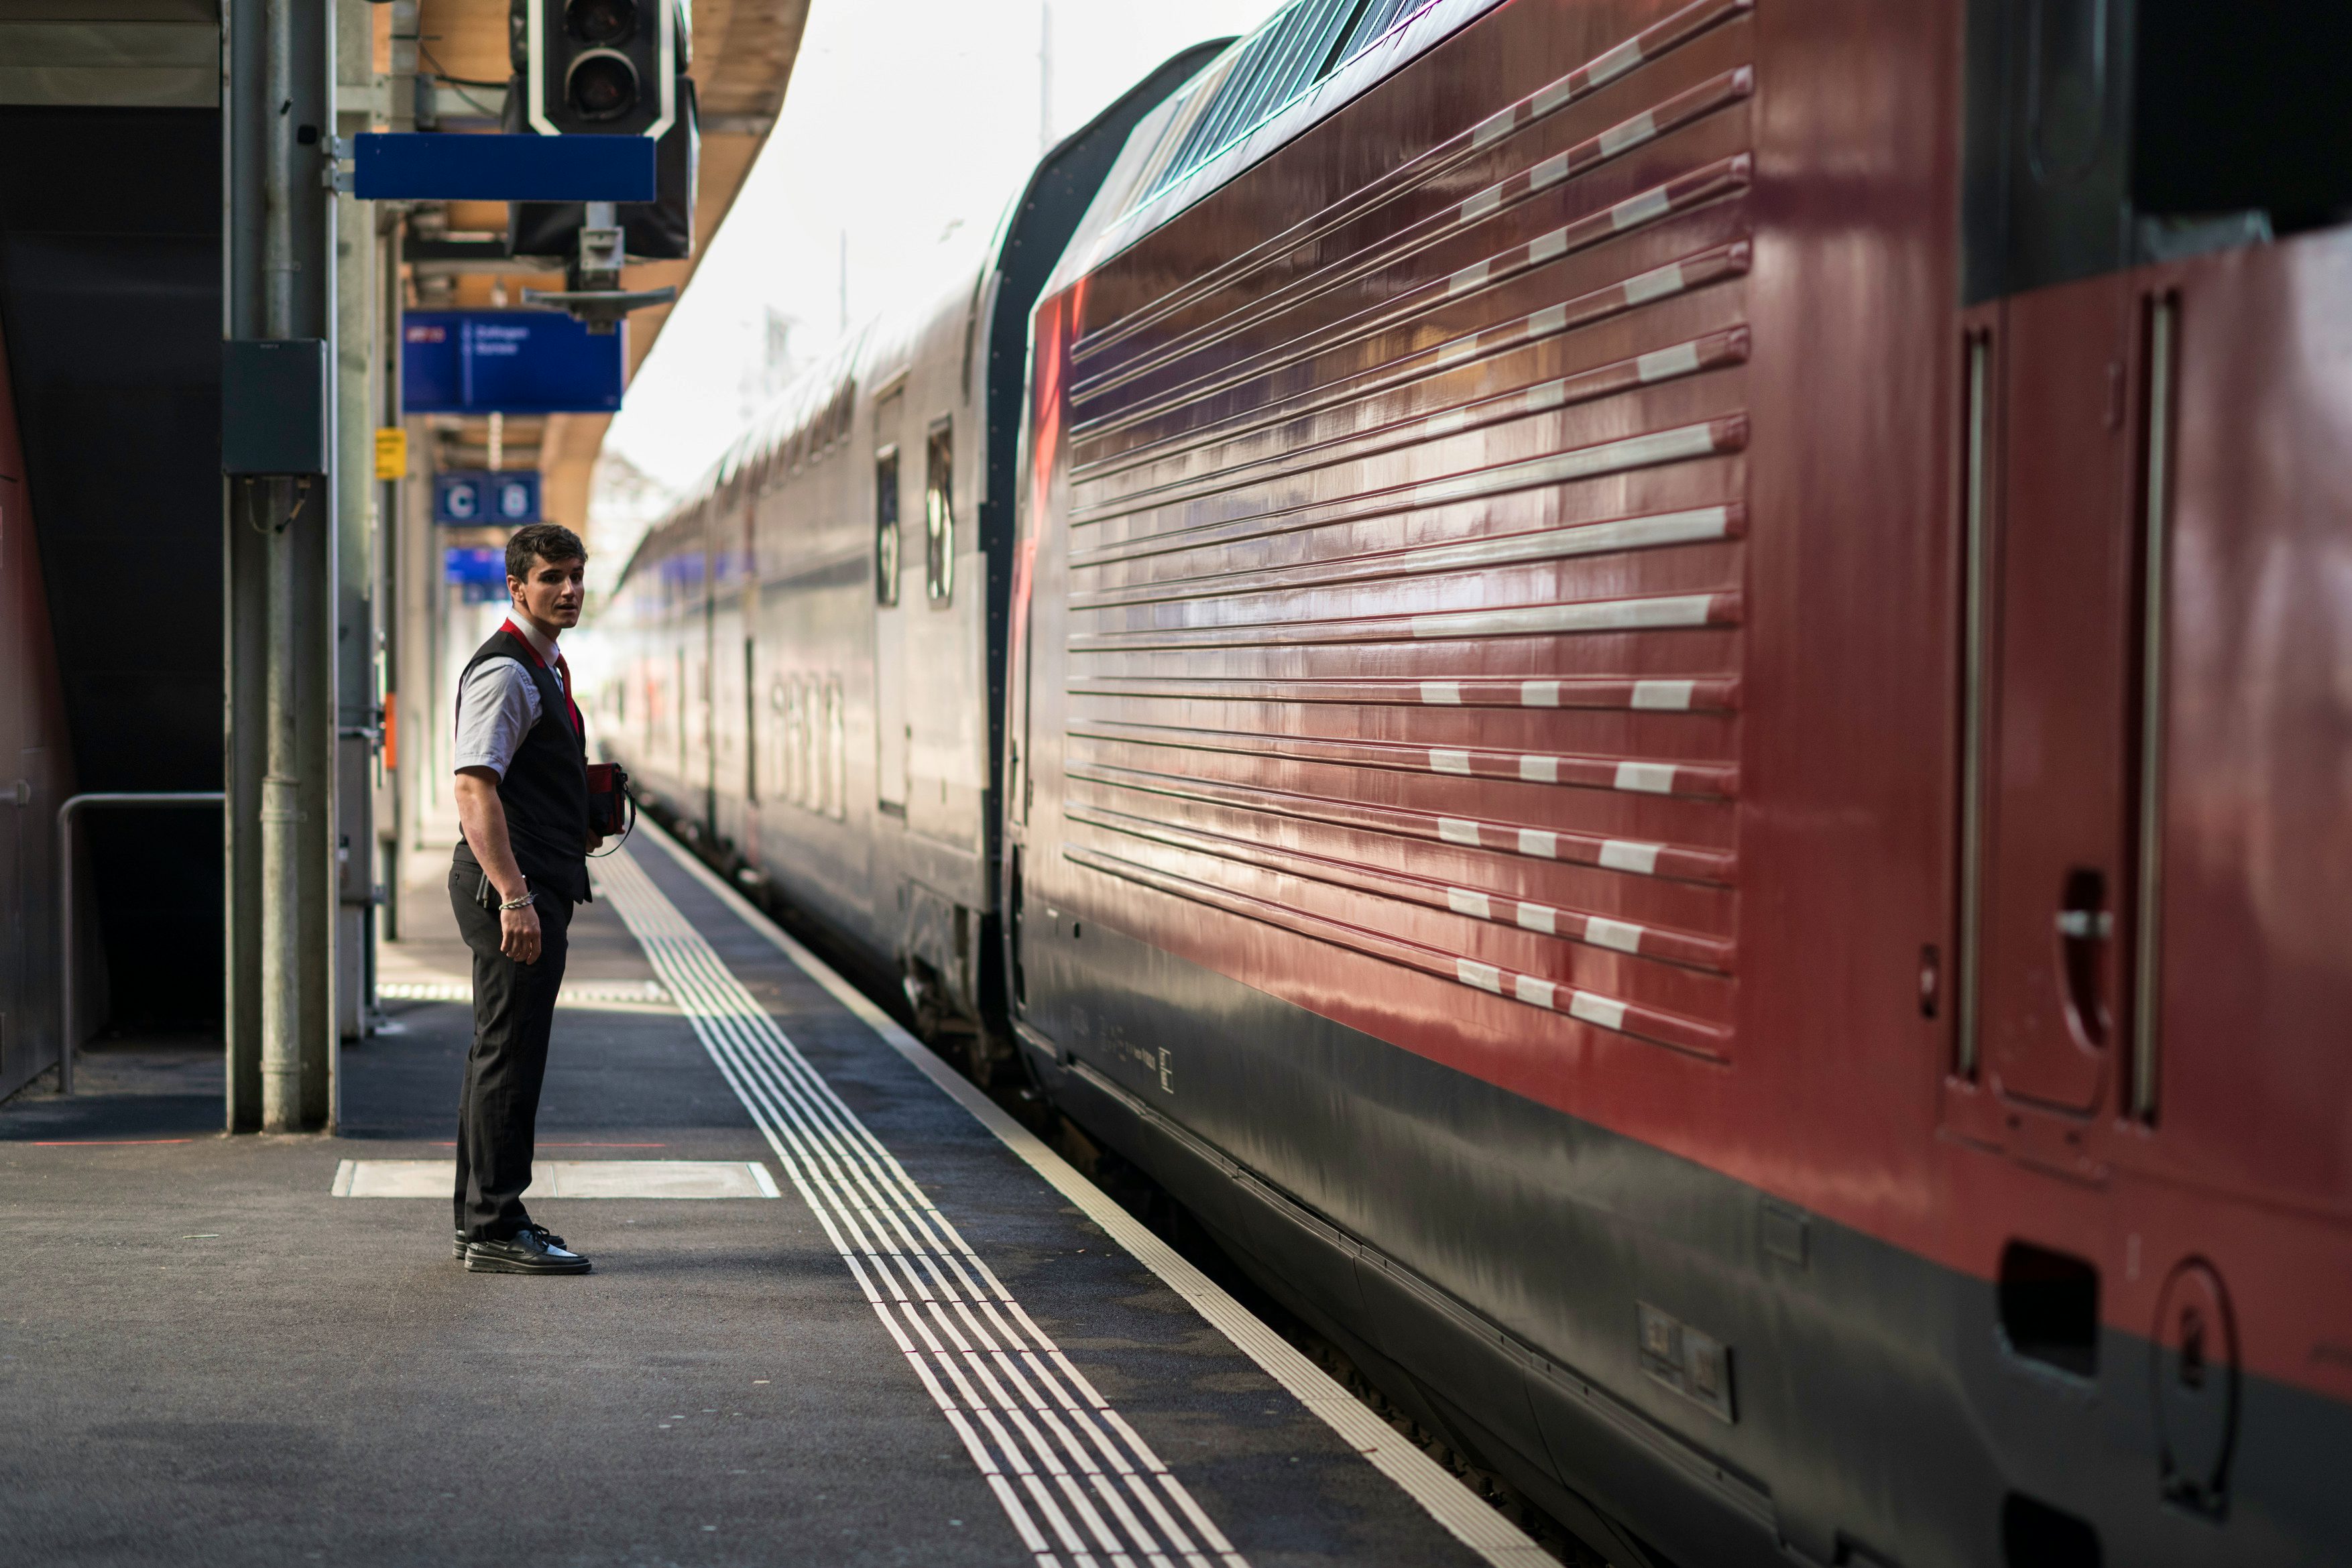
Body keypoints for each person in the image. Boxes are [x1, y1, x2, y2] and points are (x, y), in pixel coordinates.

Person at [447, 522, 602, 1274]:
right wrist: (514, 896)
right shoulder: (508, 671)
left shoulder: (546, 664)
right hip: (509, 889)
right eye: (551, 577)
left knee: (501, 1053)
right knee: (510, 1056)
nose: (569, 590)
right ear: (516, 587)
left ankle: (481, 1219)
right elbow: (473, 786)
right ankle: (495, 1226)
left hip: (530, 880)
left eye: (576, 575)